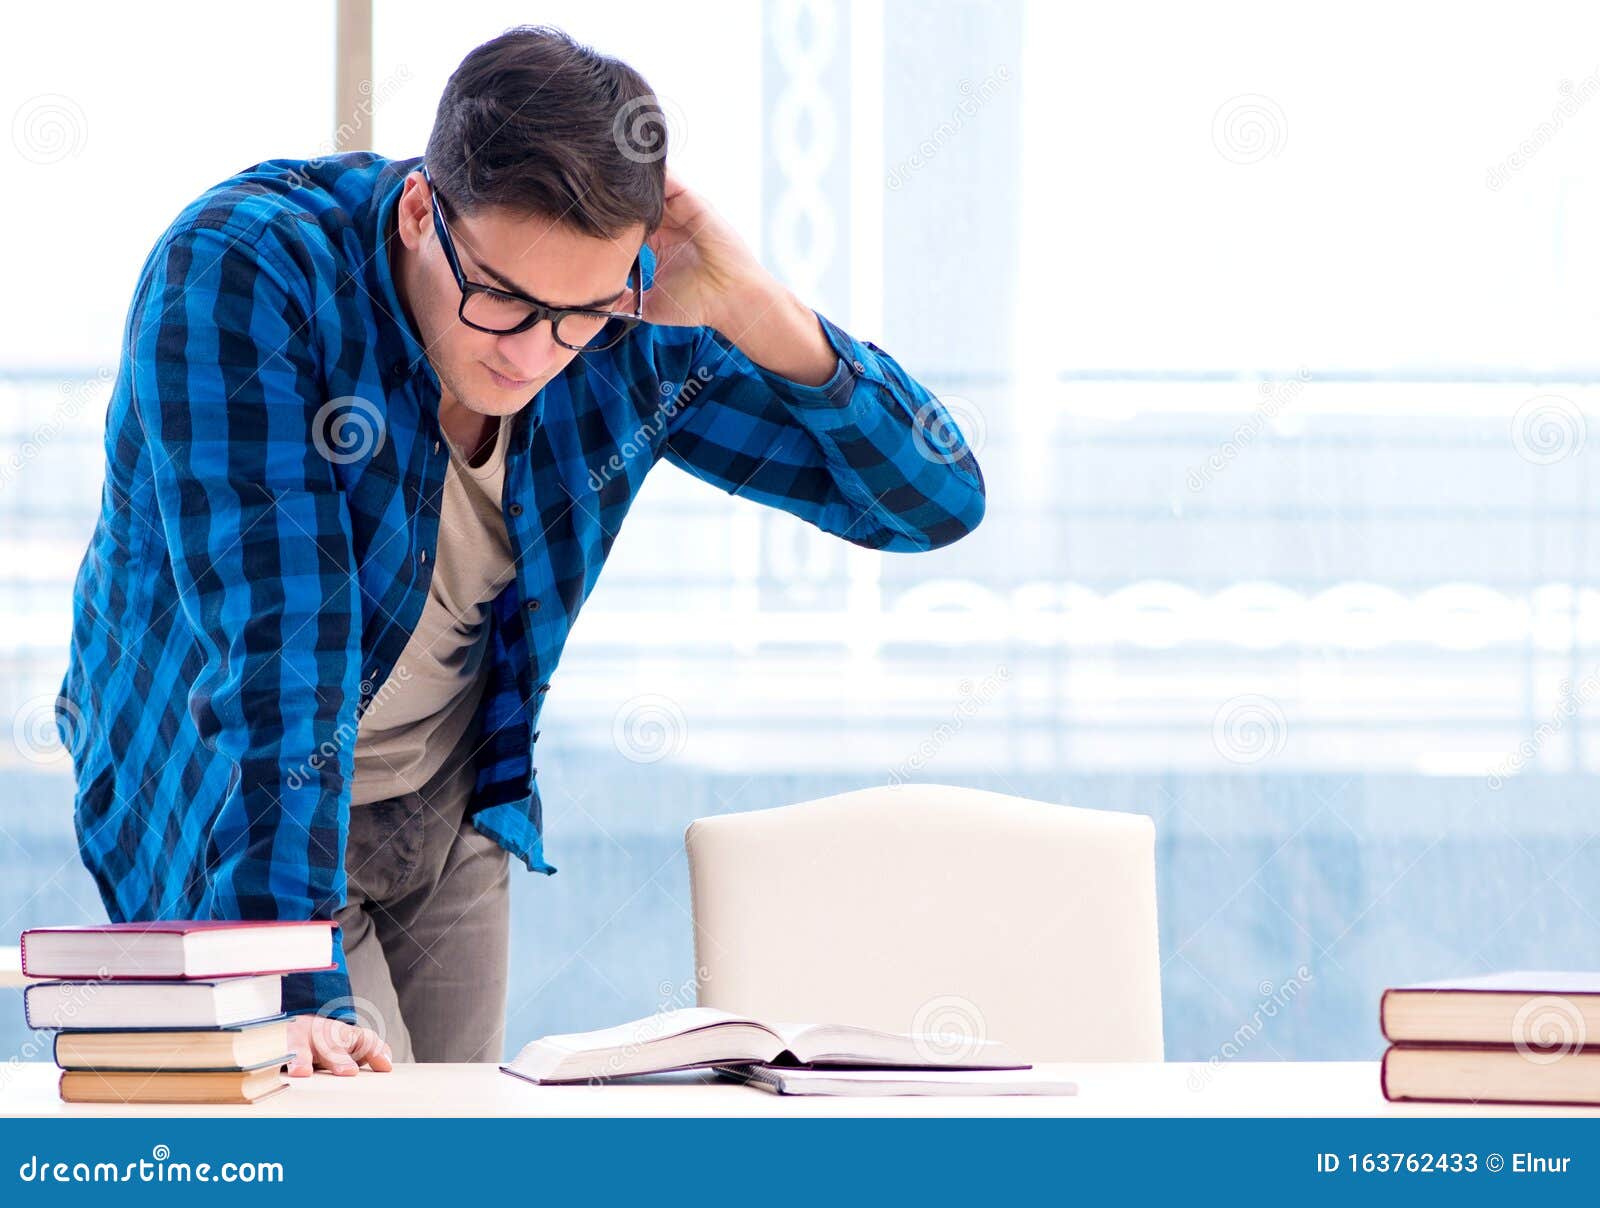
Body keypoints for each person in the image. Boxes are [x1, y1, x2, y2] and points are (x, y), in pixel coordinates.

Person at [58, 24, 986, 1074]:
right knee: (337, 1132)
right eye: (499, 299)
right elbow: (281, 642)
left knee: (452, 1147)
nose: (533, 351)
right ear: (420, 212)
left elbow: (932, 501)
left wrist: (756, 309)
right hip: (228, 794)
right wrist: (288, 975)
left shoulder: (626, 316)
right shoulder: (245, 272)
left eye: (578, 315)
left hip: (448, 803)